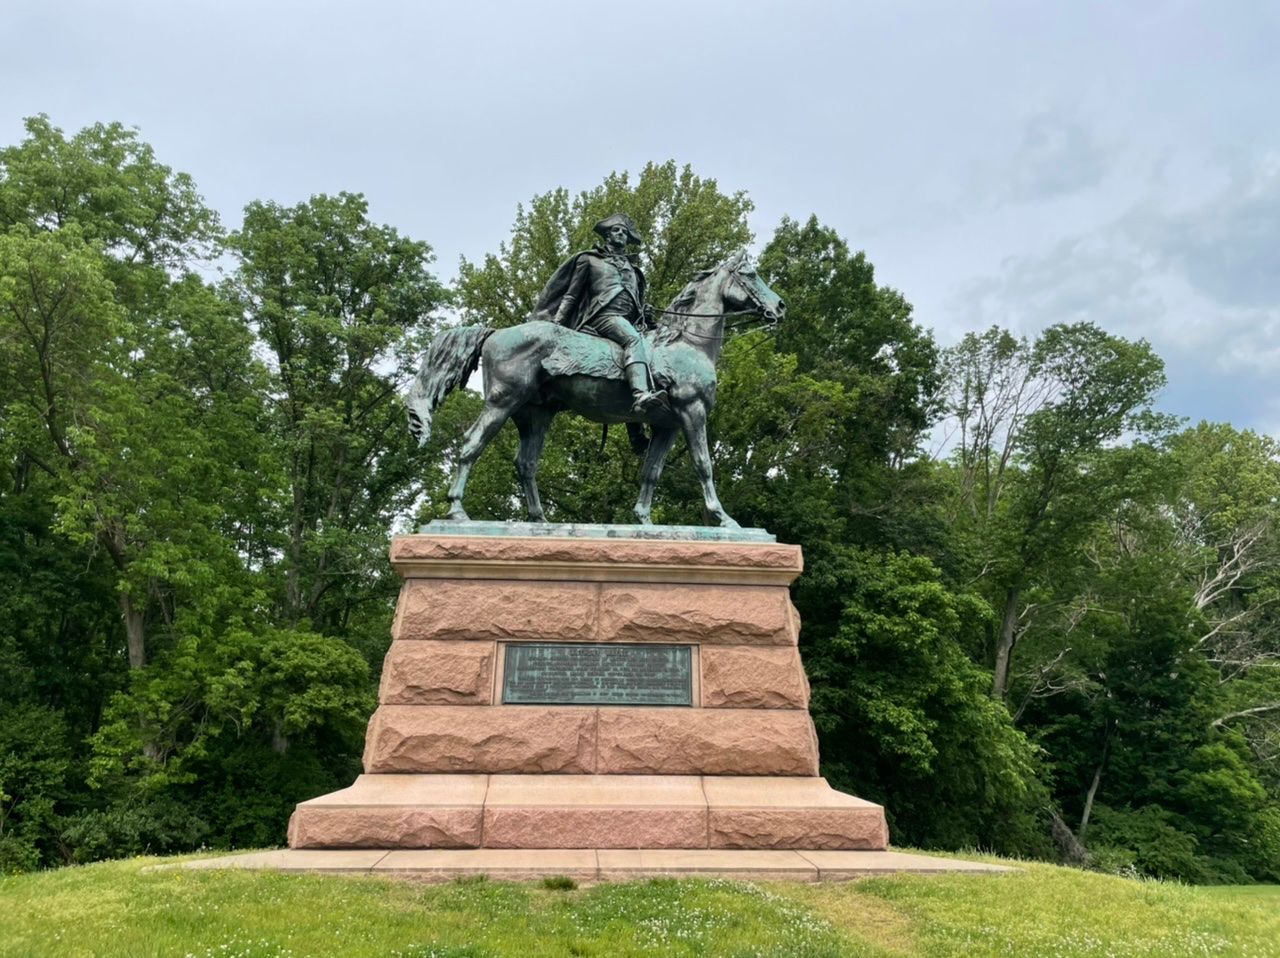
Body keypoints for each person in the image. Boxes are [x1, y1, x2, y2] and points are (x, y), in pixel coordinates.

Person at [532, 212, 666, 412]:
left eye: (624, 232)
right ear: (608, 236)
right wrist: (557, 324)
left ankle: (636, 430)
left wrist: (646, 315)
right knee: (634, 341)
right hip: (601, 317)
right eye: (616, 230)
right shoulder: (590, 260)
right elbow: (572, 295)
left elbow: (637, 305)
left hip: (627, 322)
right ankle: (640, 394)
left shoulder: (635, 271)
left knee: (650, 353)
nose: (620, 233)